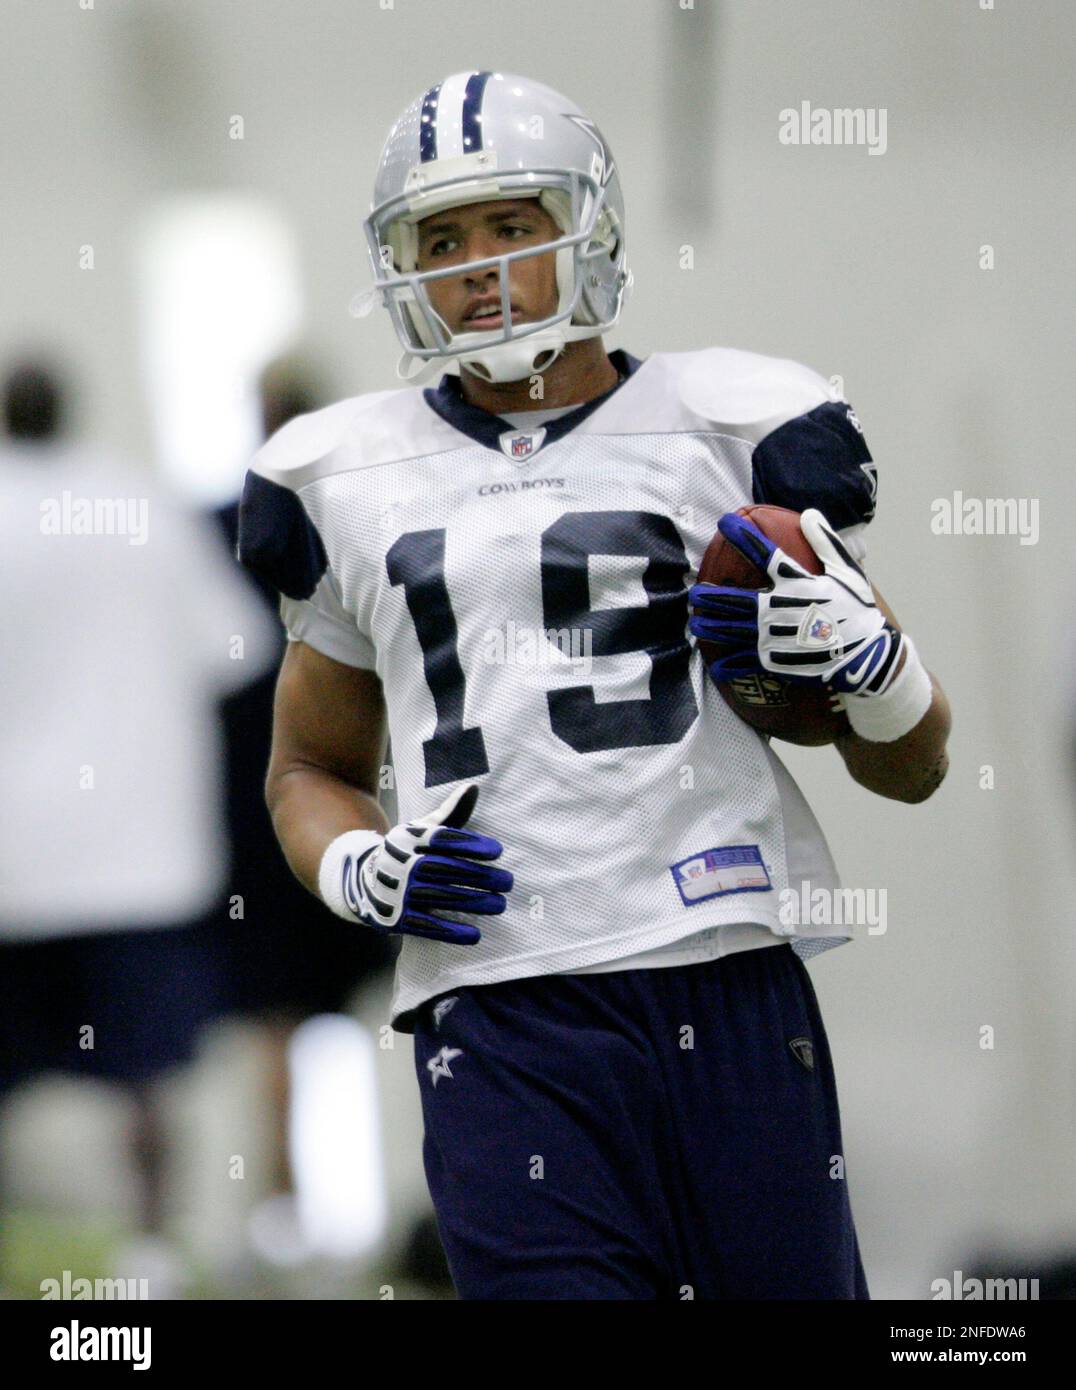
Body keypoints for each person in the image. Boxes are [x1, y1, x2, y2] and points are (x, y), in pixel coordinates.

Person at [238, 72, 952, 1300]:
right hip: (498, 1011)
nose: (474, 266)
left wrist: (877, 673)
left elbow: (914, 762)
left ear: (585, 228)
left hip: (721, 973)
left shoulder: (734, 430)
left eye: (510, 224)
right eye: (440, 238)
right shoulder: (339, 477)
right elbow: (307, 769)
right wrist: (357, 868)